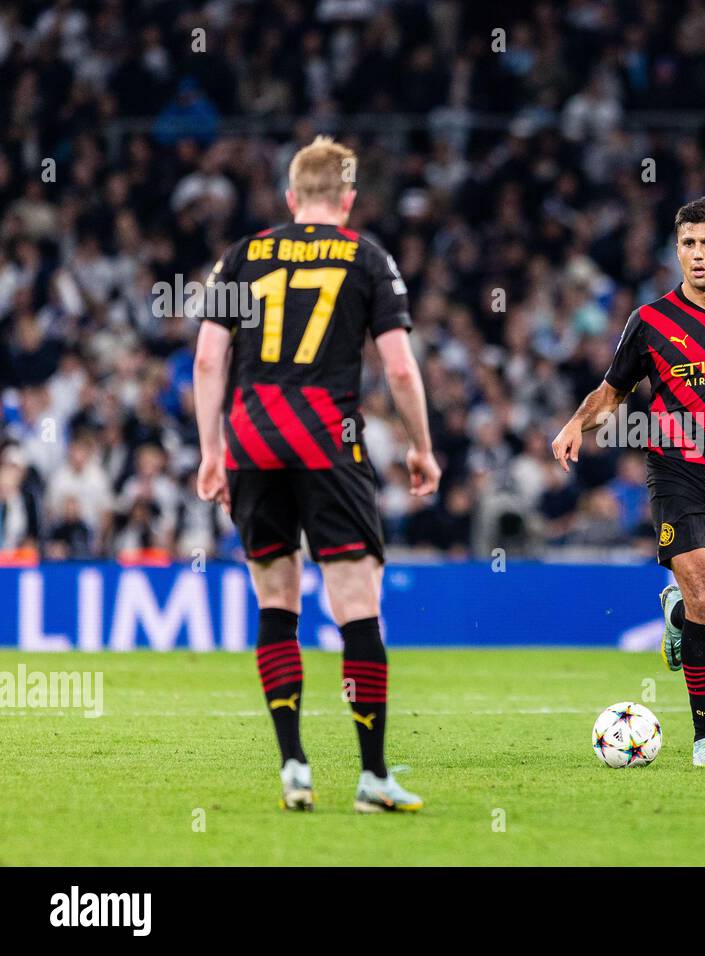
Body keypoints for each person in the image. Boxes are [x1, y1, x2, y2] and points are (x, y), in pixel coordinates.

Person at [193, 136, 440, 812]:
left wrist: (211, 450)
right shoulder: (367, 256)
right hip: (328, 443)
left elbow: (209, 361)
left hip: (250, 444)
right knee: (357, 608)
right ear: (349, 200)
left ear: (291, 198)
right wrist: (422, 447)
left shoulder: (241, 256)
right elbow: (397, 367)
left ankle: (294, 767)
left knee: (276, 602)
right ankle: (371, 777)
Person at [552, 198, 705, 768]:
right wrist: (576, 422)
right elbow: (611, 392)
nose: (697, 254)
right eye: (688, 244)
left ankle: (676, 615)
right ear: (677, 251)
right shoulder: (649, 321)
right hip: (677, 470)